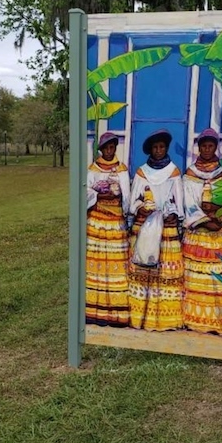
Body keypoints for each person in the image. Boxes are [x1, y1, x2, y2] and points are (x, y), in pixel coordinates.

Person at [127, 129, 184, 331]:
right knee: (143, 266)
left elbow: (179, 202)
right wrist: (141, 208)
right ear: (150, 150)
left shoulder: (174, 172)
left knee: (163, 273)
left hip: (166, 230)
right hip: (145, 227)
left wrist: (173, 214)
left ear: (166, 148)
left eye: (162, 147)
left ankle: (163, 319)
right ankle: (139, 315)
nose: (158, 150)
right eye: (155, 147)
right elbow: (132, 202)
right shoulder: (142, 172)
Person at [181, 129, 222, 336]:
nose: (206, 149)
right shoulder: (190, 174)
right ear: (199, 148)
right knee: (198, 276)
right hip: (200, 231)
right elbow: (189, 203)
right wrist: (203, 221)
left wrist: (220, 218)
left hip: (219, 231)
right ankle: (197, 320)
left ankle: (221, 320)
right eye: (203, 146)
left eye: (210, 146)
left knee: (220, 276)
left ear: (215, 147)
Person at [85, 132, 132, 326]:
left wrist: (126, 213)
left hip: (115, 222)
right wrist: (98, 195)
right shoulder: (93, 169)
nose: (109, 150)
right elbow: (86, 190)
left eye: (112, 147)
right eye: (106, 148)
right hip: (97, 220)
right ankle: (93, 309)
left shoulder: (121, 169)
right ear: (101, 149)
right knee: (96, 263)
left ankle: (116, 311)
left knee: (115, 264)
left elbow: (127, 195)